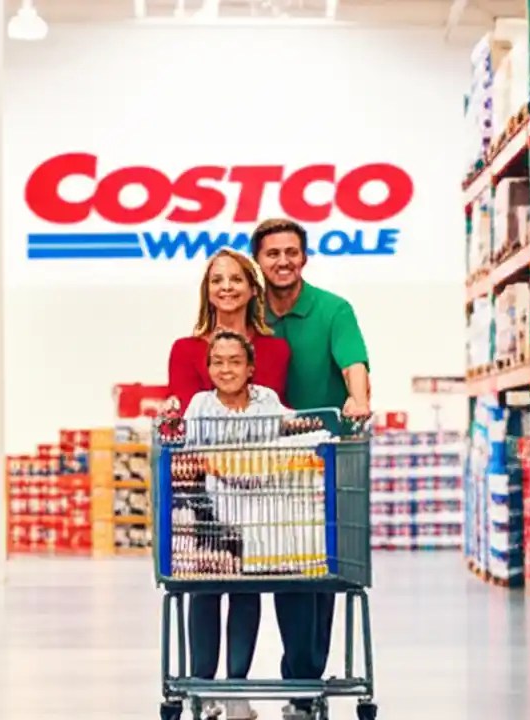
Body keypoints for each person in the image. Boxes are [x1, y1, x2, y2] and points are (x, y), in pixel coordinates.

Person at [249, 218, 371, 720]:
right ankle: (302, 679)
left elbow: (353, 363)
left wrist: (358, 398)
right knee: (293, 574)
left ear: (304, 257)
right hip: (265, 465)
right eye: (272, 253)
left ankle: (304, 674)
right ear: (258, 260)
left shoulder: (332, 309)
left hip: (324, 460)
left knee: (324, 580)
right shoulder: (251, 316)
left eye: (291, 252)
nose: (282, 261)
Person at [167, 249, 290, 720]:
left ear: (252, 286)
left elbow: (281, 418)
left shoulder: (276, 350)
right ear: (207, 289)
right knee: (204, 584)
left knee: (245, 586)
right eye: (216, 279)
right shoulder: (185, 350)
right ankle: (202, 684)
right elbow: (180, 415)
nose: (226, 287)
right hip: (201, 492)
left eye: (236, 278)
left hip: (258, 495)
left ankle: (236, 687)